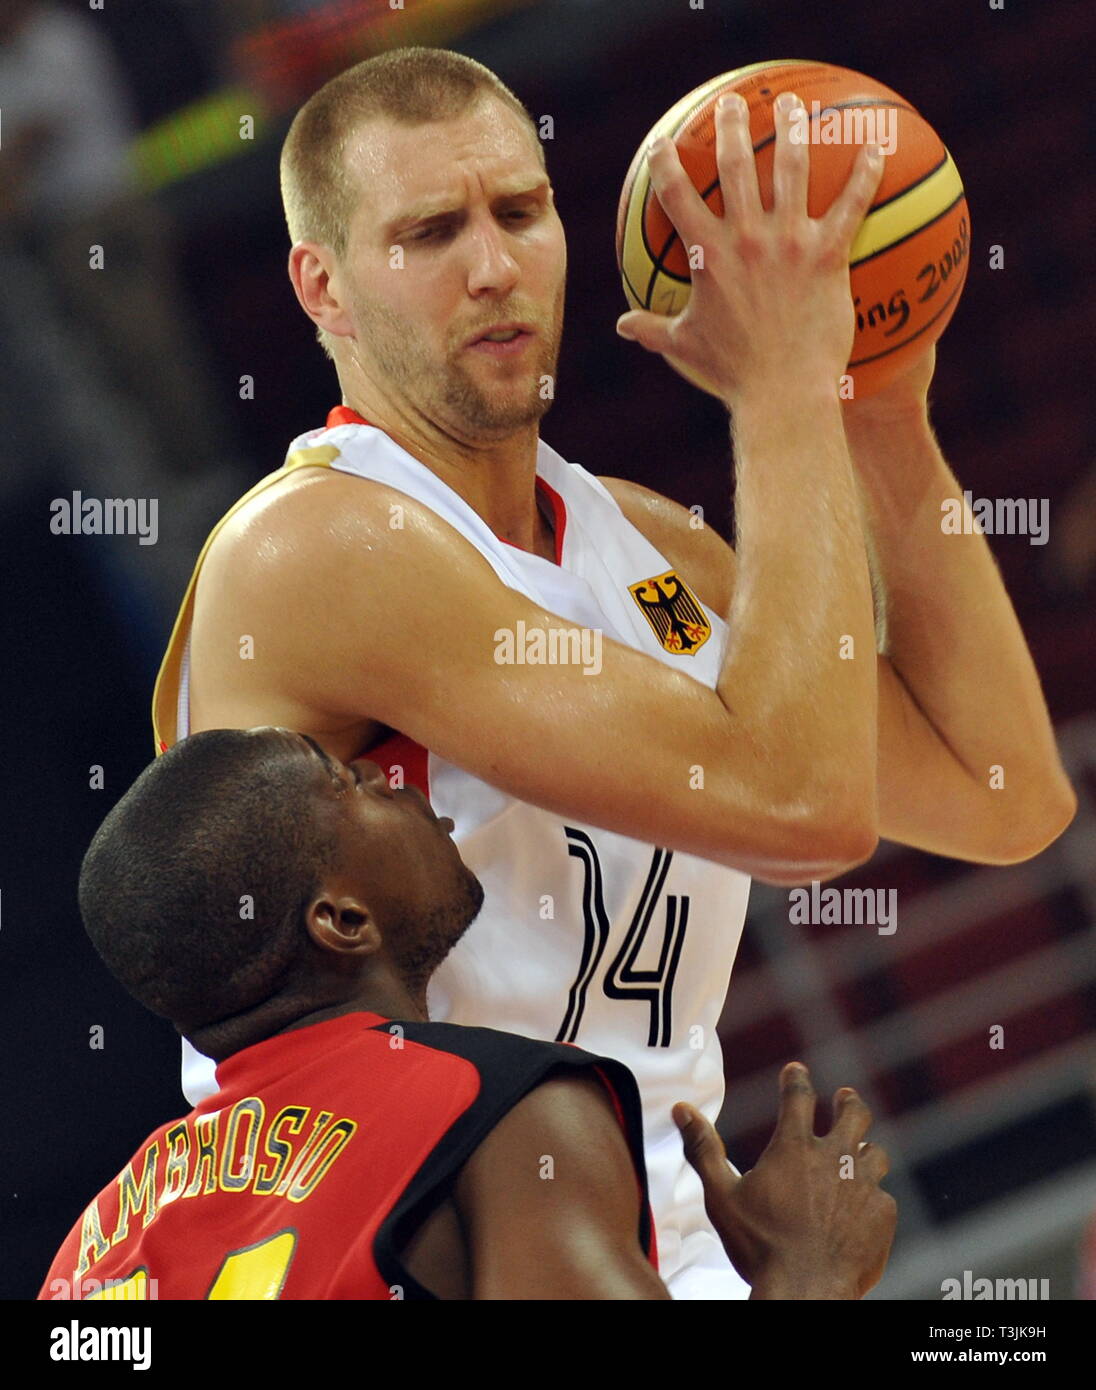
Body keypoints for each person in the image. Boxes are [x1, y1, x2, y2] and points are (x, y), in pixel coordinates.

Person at [150, 47, 1075, 1298]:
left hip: (655, 1246)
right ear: (324, 288)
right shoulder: (315, 547)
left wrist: (877, 405)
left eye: (519, 212)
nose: (493, 266)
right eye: (430, 233)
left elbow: (1003, 795)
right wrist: (784, 391)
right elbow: (804, 811)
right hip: (406, 1253)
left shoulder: (646, 542)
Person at [40, 727, 896, 1300]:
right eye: (351, 784)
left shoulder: (95, 1241)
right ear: (343, 921)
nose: (389, 777)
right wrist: (807, 1269)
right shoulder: (495, 1106)